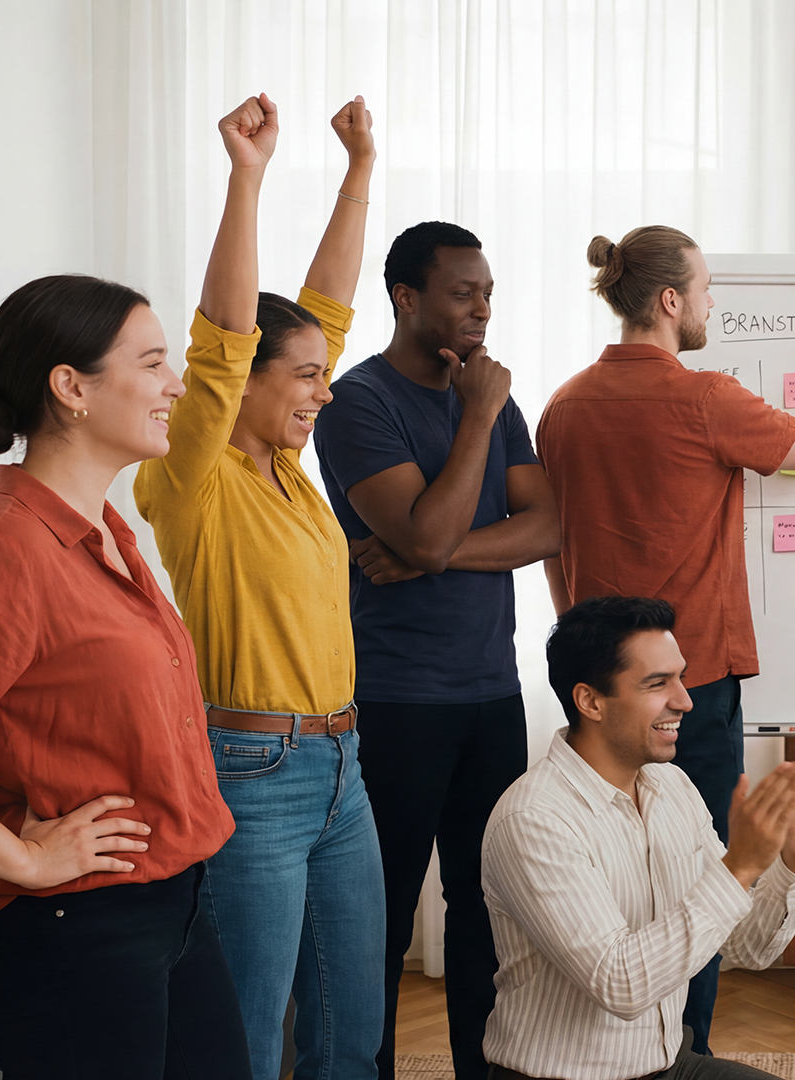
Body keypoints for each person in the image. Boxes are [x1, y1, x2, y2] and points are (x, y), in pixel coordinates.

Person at [534, 226, 795, 1050]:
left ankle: (623, 1051)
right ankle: (684, 1053)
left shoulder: (562, 406)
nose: (712, 304)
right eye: (705, 289)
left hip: (597, 693)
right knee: (703, 878)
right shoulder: (705, 398)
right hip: (686, 692)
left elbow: (559, 549)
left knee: (617, 878)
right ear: (670, 302)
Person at [0, 273, 250, 1078]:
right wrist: (22, 860)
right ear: (71, 388)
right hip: (73, 933)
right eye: (154, 362)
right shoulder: (6, 553)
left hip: (176, 905)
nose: (176, 384)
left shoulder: (107, 532)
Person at [132, 94, 383, 1080]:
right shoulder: (190, 477)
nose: (325, 391)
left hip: (342, 770)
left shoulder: (292, 471)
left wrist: (360, 170)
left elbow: (321, 307)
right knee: (244, 1041)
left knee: (350, 1035)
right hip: (251, 772)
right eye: (307, 378)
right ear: (241, 383)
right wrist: (248, 177)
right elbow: (222, 341)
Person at [312, 221, 559, 1080]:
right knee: (371, 919)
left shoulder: (495, 396)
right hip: (393, 702)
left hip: (492, 693)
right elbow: (422, 530)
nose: (483, 308)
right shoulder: (358, 404)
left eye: (488, 291)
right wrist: (479, 416)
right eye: (463, 292)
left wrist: (434, 549)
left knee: (486, 908)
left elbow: (547, 525)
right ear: (407, 298)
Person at [479, 596, 795, 1080]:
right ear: (590, 701)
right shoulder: (533, 820)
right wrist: (740, 867)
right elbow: (620, 984)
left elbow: (749, 948)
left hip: (668, 1065)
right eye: (657, 684)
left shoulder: (672, 786)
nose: (685, 700)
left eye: (680, 677)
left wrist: (789, 859)